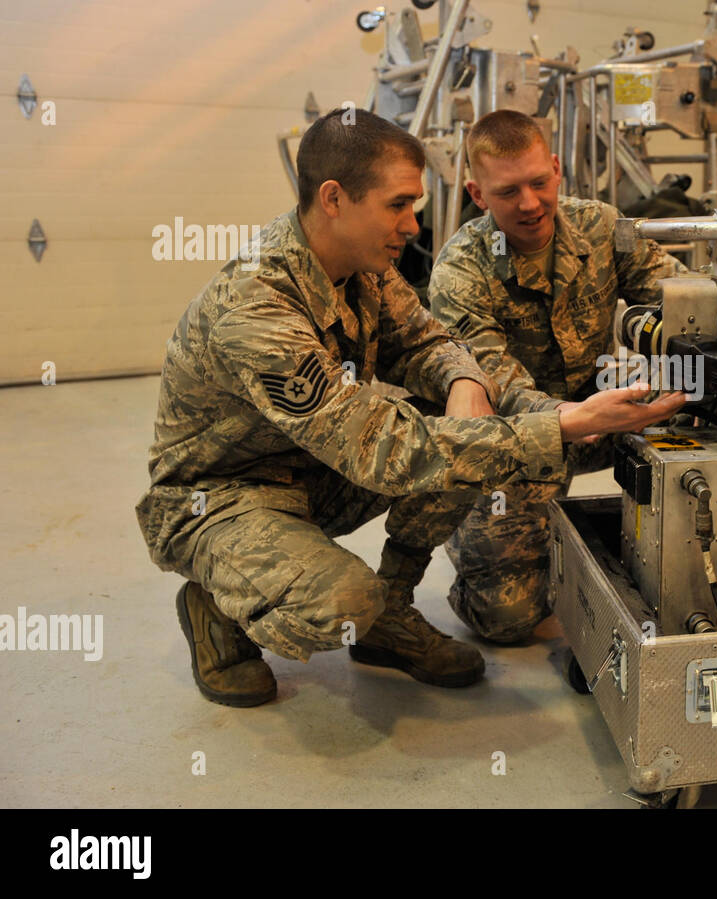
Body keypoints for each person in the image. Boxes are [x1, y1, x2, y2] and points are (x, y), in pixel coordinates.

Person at [135, 107, 684, 707]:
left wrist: (462, 382)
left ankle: (390, 614)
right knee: (345, 599)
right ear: (336, 198)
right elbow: (382, 449)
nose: (414, 226)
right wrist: (563, 423)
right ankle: (217, 605)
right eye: (398, 205)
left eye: (414, 206)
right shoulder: (258, 308)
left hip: (312, 470)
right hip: (223, 498)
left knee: (462, 433)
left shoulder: (360, 264)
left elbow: (427, 341)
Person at [427, 109, 683, 644]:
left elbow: (681, 299)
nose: (528, 203)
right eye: (507, 191)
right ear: (477, 194)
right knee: (508, 619)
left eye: (539, 183)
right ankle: (476, 543)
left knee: (714, 420)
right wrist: (566, 417)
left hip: (603, 417)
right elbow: (492, 377)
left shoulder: (603, 226)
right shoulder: (460, 269)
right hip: (515, 441)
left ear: (558, 169)